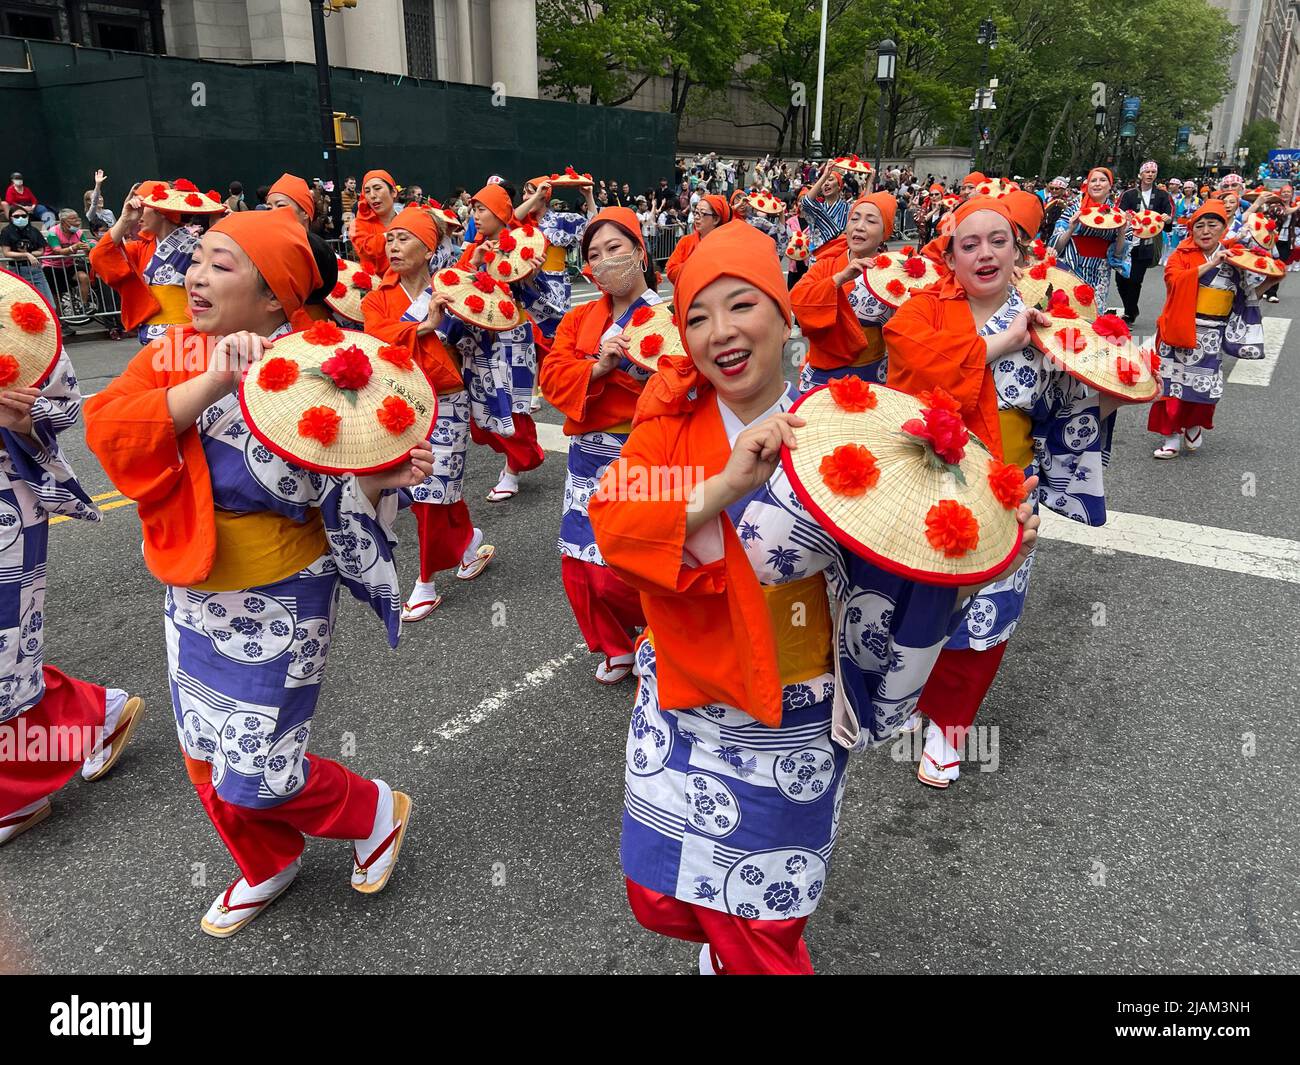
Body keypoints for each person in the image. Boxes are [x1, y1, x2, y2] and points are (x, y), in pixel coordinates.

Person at [588, 218, 1040, 973]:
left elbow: (901, 566)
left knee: (763, 924)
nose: (720, 332)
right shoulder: (669, 420)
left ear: (784, 314)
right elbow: (618, 510)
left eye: (742, 306)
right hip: (679, 696)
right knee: (659, 894)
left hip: (787, 719)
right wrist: (726, 483)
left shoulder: (845, 425)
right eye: (697, 315)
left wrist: (984, 553)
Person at [84, 210, 432, 937]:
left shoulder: (323, 367)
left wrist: (382, 477)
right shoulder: (175, 350)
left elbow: (347, 487)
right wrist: (211, 381)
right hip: (190, 586)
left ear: (275, 296)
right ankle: (267, 861)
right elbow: (112, 431)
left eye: (221, 264)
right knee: (205, 754)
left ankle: (372, 808)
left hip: (283, 595)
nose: (196, 276)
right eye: (198, 259)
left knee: (260, 768)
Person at [885, 196, 1114, 787]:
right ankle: (914, 698)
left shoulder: (1048, 326)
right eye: (969, 244)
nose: (984, 252)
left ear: (1018, 253)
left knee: (987, 614)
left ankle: (951, 727)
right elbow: (908, 367)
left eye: (998, 241)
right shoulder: (924, 311)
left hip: (1009, 490)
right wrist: (995, 345)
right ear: (952, 258)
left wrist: (1111, 388)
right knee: (924, 603)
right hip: (932, 482)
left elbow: (1071, 408)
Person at [0, 275, 145, 846]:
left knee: (5, 651)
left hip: (6, 503)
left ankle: (19, 789)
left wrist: (24, 417)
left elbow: (60, 404)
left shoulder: (12, 310)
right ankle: (95, 712)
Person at [538, 207, 657, 685]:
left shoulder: (667, 317)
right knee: (581, 561)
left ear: (641, 252)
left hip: (643, 448)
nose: (605, 261)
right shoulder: (578, 319)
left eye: (615, 248)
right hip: (589, 450)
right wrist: (598, 369)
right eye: (594, 254)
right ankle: (615, 645)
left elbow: (685, 380)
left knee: (630, 560)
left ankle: (657, 632)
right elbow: (551, 375)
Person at [362, 203, 496, 621]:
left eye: (404, 239)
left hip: (448, 399)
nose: (394, 246)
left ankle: (425, 582)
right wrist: (423, 325)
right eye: (390, 239)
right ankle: (469, 543)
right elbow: (376, 341)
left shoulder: (450, 289)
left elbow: (480, 335)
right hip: (401, 401)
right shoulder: (376, 300)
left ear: (428, 247)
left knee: (430, 492)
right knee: (424, 491)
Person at [1148, 198, 1264, 459]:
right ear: (1192, 230)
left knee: (1204, 387)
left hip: (1212, 332)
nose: (1206, 231)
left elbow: (1248, 293)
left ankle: (1193, 424)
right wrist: (1211, 264)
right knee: (1171, 387)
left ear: (1224, 228)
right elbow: (1174, 280)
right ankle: (1171, 436)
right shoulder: (1180, 255)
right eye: (1199, 226)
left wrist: (1270, 276)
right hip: (1178, 329)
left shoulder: (1234, 257)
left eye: (1213, 225)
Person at [453, 182, 545, 501]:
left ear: (499, 214)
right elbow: (459, 290)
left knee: (512, 409)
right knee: (483, 416)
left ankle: (513, 470)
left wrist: (530, 277)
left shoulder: (520, 245)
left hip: (511, 339)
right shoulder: (474, 249)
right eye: (474, 209)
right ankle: (514, 461)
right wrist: (475, 264)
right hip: (479, 340)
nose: (475, 216)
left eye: (481, 210)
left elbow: (534, 297)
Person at [790, 192, 898, 392]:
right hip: (826, 374)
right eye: (854, 219)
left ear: (886, 232)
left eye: (871, 221)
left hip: (874, 375)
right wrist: (838, 279)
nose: (859, 226)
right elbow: (797, 300)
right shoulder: (826, 265)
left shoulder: (894, 272)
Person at [89, 180, 213, 346]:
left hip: (189, 335)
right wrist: (125, 219)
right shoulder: (141, 248)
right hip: (151, 335)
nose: (138, 215)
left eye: (143, 207)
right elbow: (99, 256)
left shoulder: (198, 246)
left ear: (161, 211)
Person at [514, 176, 598, 366]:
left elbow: (593, 228)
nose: (526, 197)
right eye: (525, 193)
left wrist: (589, 197)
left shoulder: (561, 220)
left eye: (530, 192)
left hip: (554, 286)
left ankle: (555, 376)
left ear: (545, 195)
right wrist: (535, 197)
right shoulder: (521, 223)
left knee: (555, 336)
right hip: (527, 287)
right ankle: (533, 389)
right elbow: (512, 218)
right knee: (528, 337)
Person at [1052, 166, 1130, 314]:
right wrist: (1071, 228)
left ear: (1110, 186)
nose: (1097, 184)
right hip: (1071, 265)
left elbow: (1119, 254)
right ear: (1088, 185)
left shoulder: (1117, 213)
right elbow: (1057, 246)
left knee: (1094, 313)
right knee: (1067, 312)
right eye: (1093, 180)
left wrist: (1121, 232)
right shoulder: (1074, 208)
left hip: (1099, 270)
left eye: (1102, 180)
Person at [1115, 161, 1174, 323]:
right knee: (1120, 280)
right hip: (1127, 242)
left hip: (1147, 244)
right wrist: (1125, 217)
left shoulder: (1163, 195)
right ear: (1140, 174)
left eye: (1153, 172)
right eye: (1147, 171)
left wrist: (1167, 219)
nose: (1150, 174)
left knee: (1135, 280)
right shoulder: (1128, 194)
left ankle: (1129, 313)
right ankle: (1132, 307)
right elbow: (1118, 213)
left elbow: (1168, 216)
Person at [664, 193, 730, 286]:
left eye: (702, 213)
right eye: (696, 212)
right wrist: (696, 265)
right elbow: (671, 271)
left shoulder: (726, 246)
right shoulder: (686, 241)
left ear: (716, 219)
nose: (696, 217)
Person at [0, 204, 57, 306]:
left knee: (48, 304)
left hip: (35, 270)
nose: (20, 218)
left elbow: (41, 251)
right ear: (11, 218)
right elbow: (6, 252)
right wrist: (26, 255)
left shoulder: (34, 231)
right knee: (22, 305)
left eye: (24, 216)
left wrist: (29, 254)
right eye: (16, 216)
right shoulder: (6, 231)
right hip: (16, 270)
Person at [349, 169, 399, 276]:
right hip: (375, 287)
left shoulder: (407, 219)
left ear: (393, 192)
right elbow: (366, 249)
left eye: (377, 188)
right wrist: (397, 234)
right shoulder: (358, 224)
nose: (372, 195)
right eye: (367, 191)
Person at [44, 208, 94, 313]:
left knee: (83, 277)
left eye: (77, 219)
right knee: (56, 294)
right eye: (72, 219)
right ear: (63, 222)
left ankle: (83, 305)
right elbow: (57, 251)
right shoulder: (52, 233)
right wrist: (73, 248)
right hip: (52, 266)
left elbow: (87, 246)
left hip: (69, 265)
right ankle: (59, 319)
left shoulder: (79, 232)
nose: (76, 222)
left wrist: (88, 247)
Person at [799, 165, 849, 254]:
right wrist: (825, 175)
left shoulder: (848, 208)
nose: (826, 183)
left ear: (839, 186)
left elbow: (865, 209)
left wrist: (869, 182)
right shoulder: (816, 208)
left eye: (830, 179)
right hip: (818, 257)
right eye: (823, 181)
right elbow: (805, 202)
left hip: (840, 255)